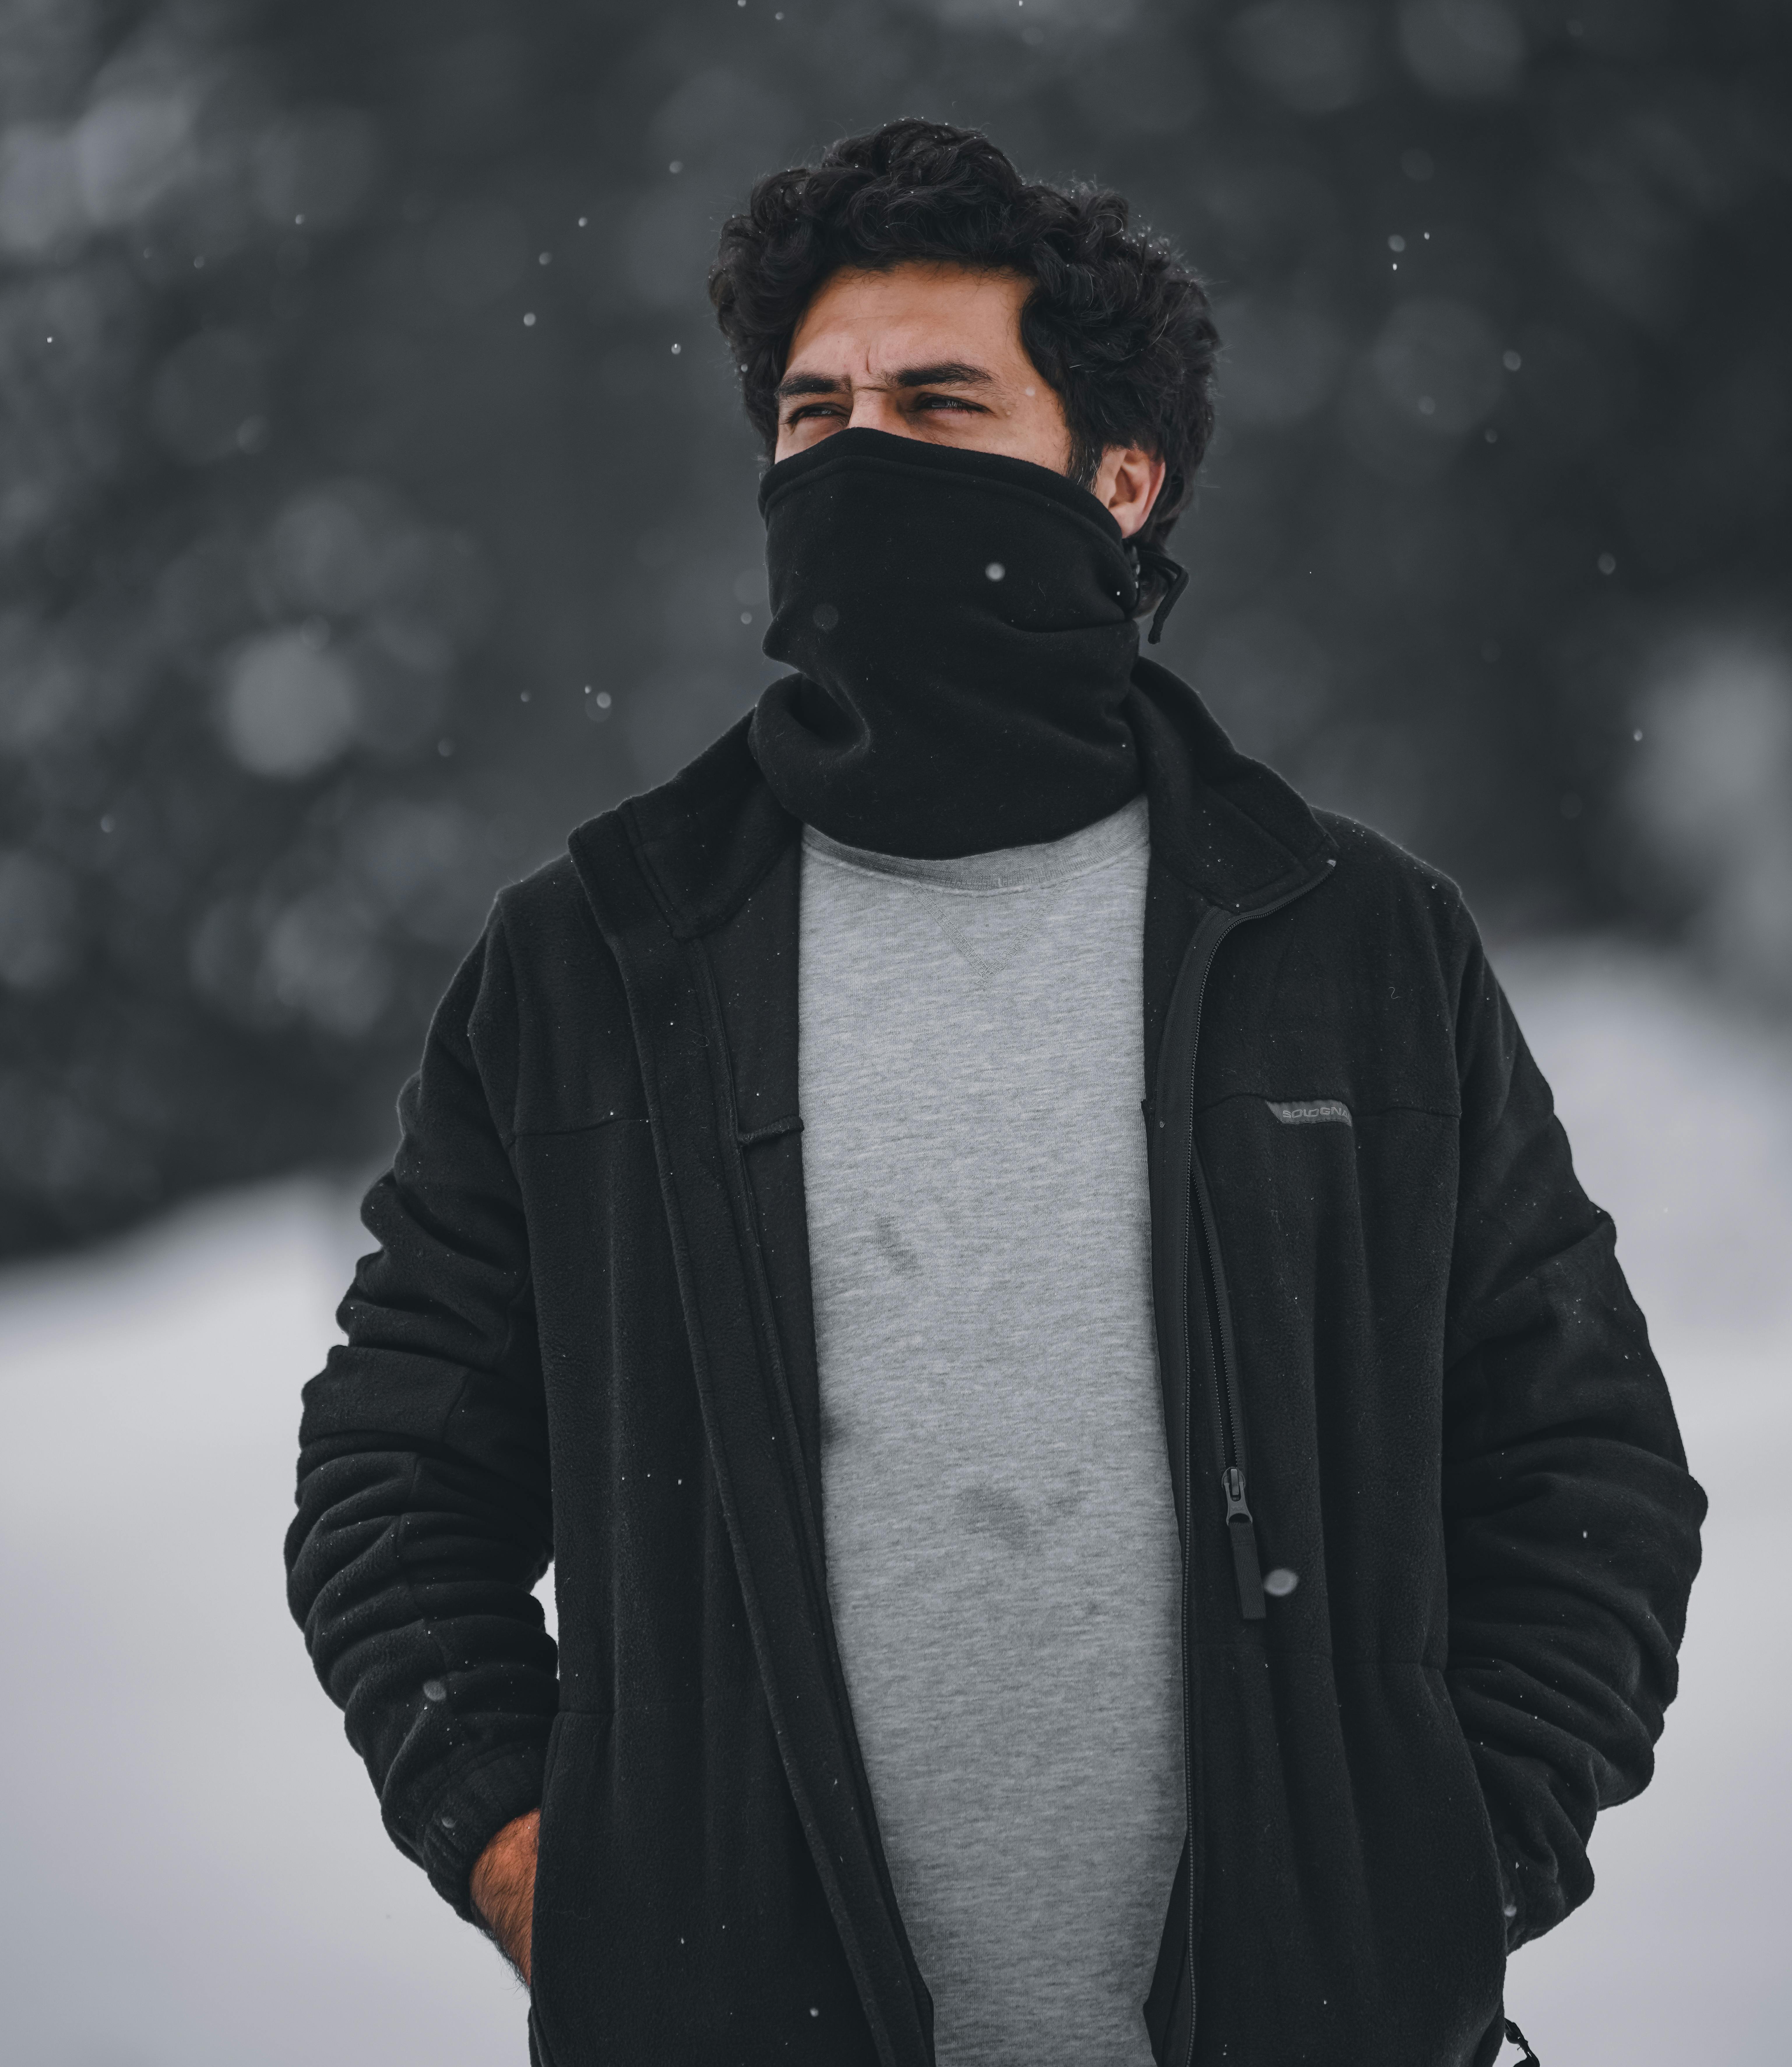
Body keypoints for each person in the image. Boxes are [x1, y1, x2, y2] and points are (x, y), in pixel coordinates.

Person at [286, 120, 1705, 2067]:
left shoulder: (1352, 945)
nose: (858, 456)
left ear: (1114, 479)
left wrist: (1442, 1875)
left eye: (938, 401)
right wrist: (535, 1860)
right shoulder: (601, 959)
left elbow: (1581, 1466)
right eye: (814, 413)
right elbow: (396, 1473)